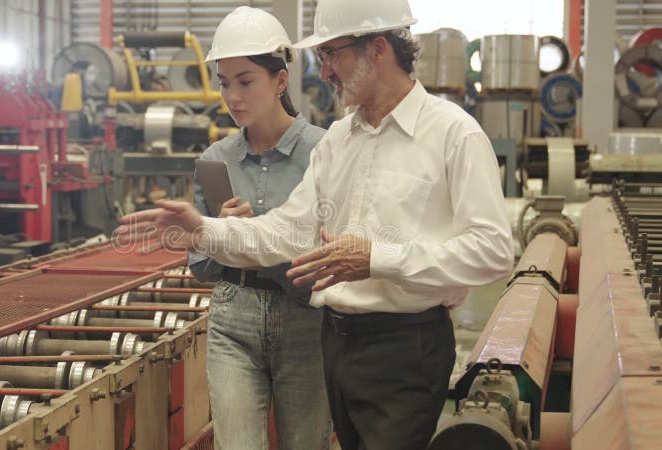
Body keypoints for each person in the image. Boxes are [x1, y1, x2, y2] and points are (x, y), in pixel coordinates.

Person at [115, 0, 514, 448]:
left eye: (331, 55)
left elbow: (493, 249)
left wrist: (376, 259)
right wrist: (204, 230)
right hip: (336, 342)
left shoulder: (453, 135)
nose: (323, 72)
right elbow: (286, 230)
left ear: (377, 48)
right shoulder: (340, 140)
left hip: (406, 347)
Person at [187, 7, 331, 450]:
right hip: (233, 318)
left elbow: (337, 251)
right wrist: (220, 236)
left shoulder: (324, 152)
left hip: (305, 321)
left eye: (245, 81)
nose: (232, 97)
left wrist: (263, 242)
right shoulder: (216, 159)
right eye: (224, 82)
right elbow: (198, 264)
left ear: (280, 80)